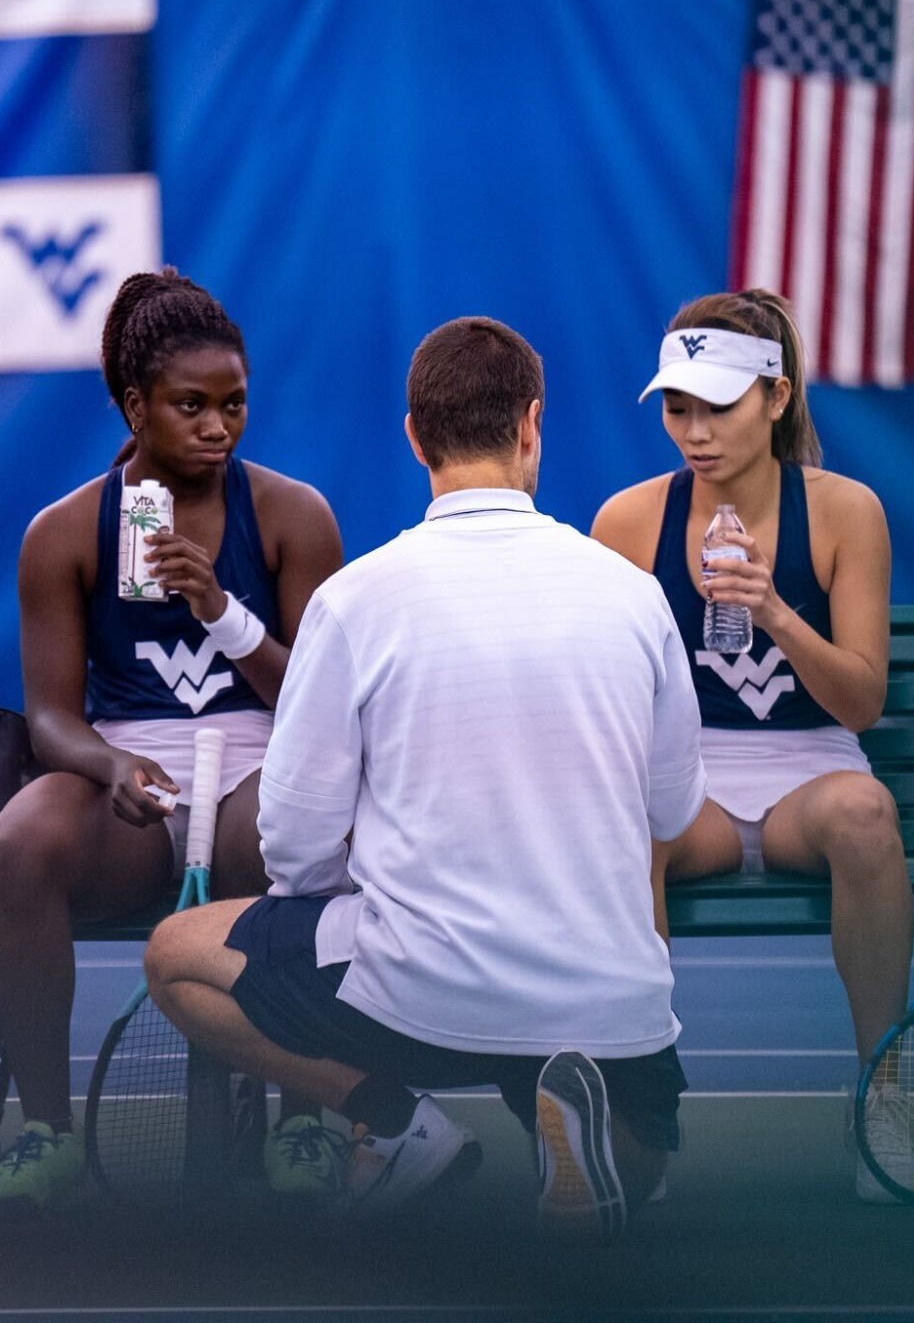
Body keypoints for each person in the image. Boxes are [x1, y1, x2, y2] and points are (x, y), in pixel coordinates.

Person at [142, 316, 705, 1242]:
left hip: (414, 998)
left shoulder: (355, 601)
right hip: (609, 1002)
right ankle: (580, 1119)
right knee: (641, 1175)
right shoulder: (634, 595)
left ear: (413, 437)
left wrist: (346, 904)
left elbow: (294, 839)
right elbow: (675, 809)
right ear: (532, 425)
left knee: (174, 955)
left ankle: (398, 1120)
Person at [0, 269, 345, 1215]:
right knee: (19, 841)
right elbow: (51, 717)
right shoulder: (62, 534)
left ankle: (306, 1119)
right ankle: (46, 1132)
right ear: (135, 406)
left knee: (296, 829)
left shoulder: (295, 515)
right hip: (134, 778)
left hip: (260, 760)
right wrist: (109, 764)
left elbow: (317, 703)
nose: (218, 427)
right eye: (190, 406)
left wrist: (220, 610)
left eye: (234, 404)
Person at [589, 289, 914, 1203]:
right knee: (625, 826)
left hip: (809, 774)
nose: (695, 432)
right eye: (677, 407)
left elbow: (861, 702)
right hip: (688, 783)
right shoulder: (627, 522)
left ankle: (884, 1094)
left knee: (867, 814)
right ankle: (641, 1108)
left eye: (718, 406)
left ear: (776, 398)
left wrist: (772, 609)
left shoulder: (847, 511)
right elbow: (610, 696)